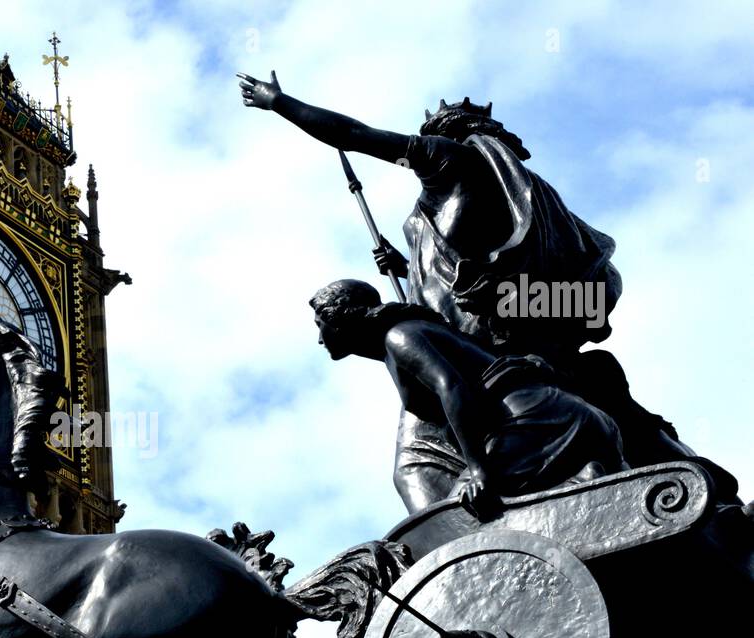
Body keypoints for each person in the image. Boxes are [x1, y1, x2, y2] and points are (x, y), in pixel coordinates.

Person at [239, 73, 729, 510]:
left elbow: (356, 136)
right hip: (477, 351)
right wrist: (407, 265)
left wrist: (279, 102)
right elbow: (451, 289)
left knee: (418, 468)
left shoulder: (449, 158)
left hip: (487, 361)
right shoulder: (467, 201)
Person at [310, 279, 628, 518]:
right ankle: (587, 479)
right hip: (543, 422)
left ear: (340, 315)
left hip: (542, 425)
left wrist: (478, 469)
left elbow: (451, 387)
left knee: (456, 514)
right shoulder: (399, 340)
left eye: (320, 324)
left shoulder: (399, 336)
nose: (320, 337)